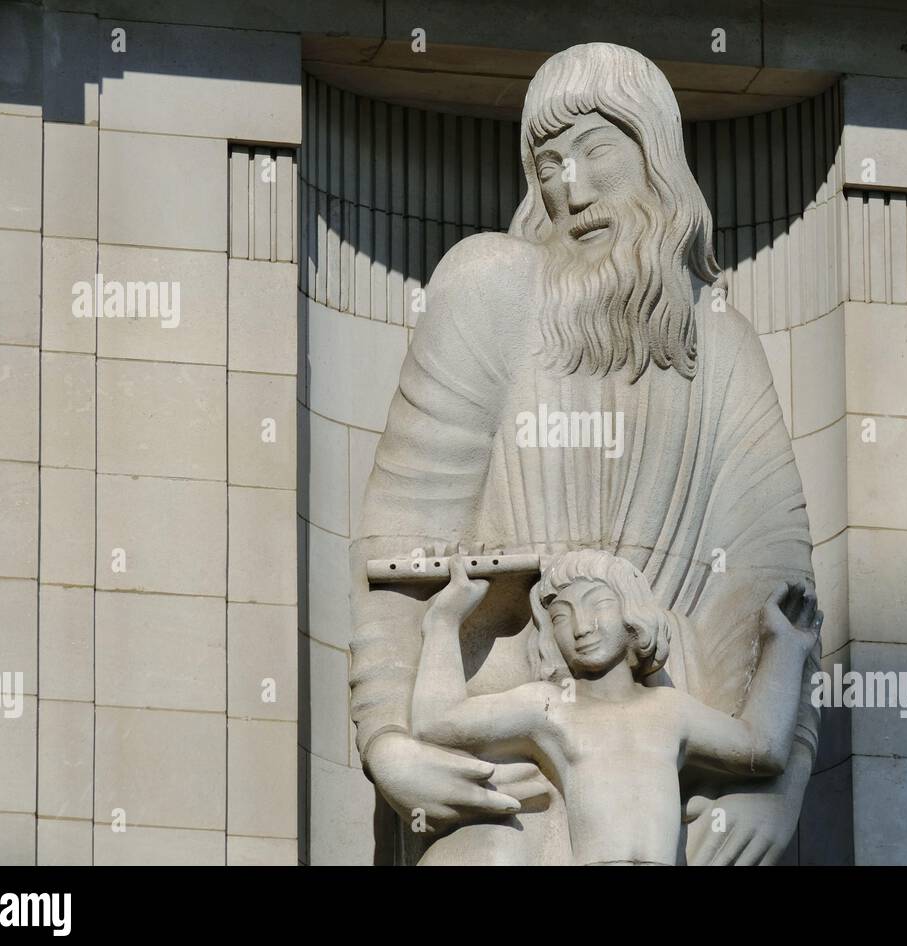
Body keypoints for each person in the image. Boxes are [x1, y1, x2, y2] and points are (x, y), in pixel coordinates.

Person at [350, 41, 820, 866]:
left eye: (596, 149)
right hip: (498, 777)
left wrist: (779, 787)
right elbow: (398, 559)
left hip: (675, 778)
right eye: (547, 163)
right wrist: (390, 744)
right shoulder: (489, 288)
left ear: (655, 153)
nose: (570, 187)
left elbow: (780, 598)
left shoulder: (725, 345)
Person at [410, 555, 819, 866]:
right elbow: (436, 720)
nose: (581, 627)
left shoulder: (670, 710)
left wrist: (784, 647)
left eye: (598, 605)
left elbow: (762, 748)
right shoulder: (551, 707)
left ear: (632, 612)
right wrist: (444, 622)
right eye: (560, 616)